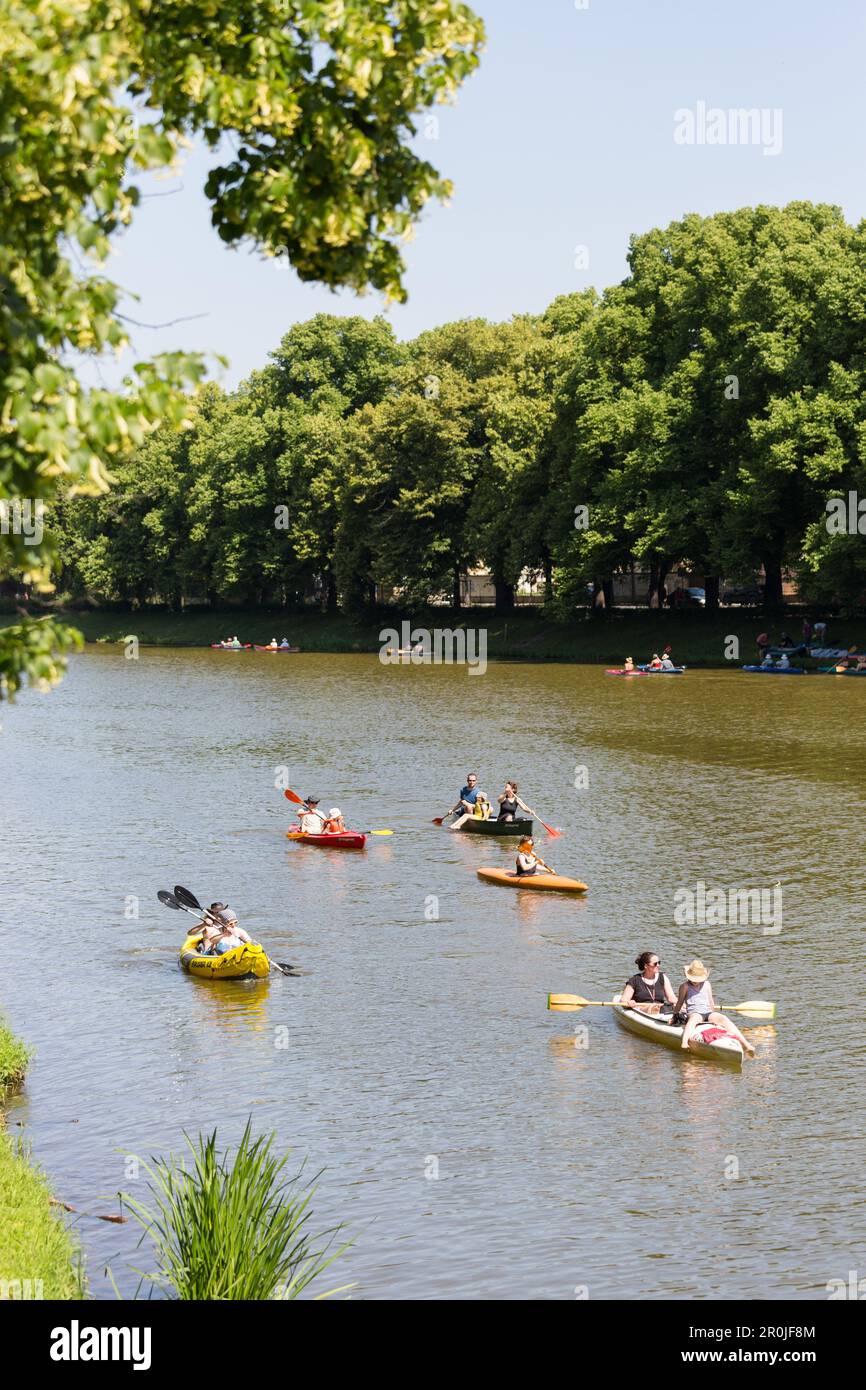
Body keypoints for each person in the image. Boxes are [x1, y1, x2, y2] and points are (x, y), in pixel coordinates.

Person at [671, 960, 755, 1056]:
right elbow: (679, 1003)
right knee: (694, 1019)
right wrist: (674, 1016)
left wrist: (713, 1018)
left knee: (723, 1018)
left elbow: (711, 1001)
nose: (695, 981)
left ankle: (746, 1045)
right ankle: (684, 1042)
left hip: (708, 1012)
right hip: (695, 1013)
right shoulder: (684, 986)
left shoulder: (707, 984)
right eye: (694, 978)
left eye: (698, 978)